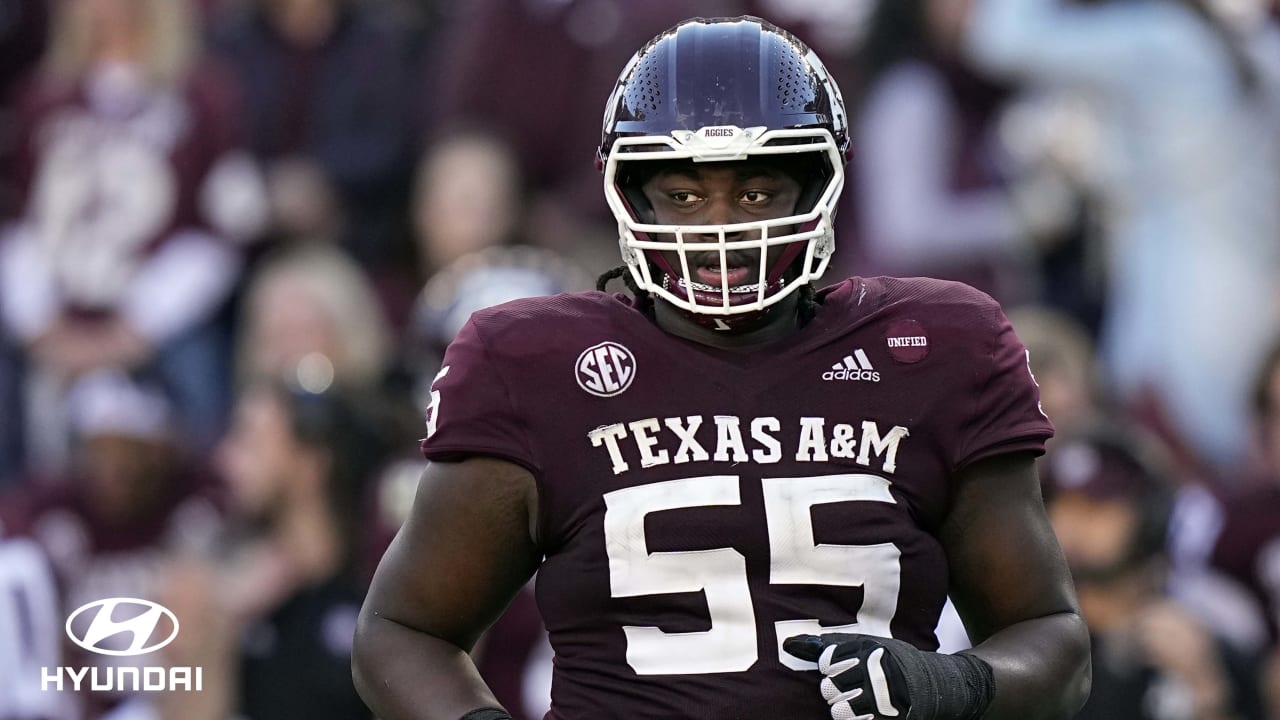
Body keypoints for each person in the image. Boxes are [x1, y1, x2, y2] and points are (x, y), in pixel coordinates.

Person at [353, 16, 1090, 720]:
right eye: (682, 196)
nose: (722, 226)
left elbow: (1053, 641)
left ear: (820, 186)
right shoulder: (538, 364)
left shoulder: (932, 349)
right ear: (629, 194)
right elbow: (403, 631)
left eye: (758, 191)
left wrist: (952, 686)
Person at [1041, 426, 1264, 719]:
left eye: (1096, 504)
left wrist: (1207, 693)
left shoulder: (1213, 620)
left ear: (1151, 516)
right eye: (1061, 504)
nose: (1071, 524)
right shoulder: (1027, 635)